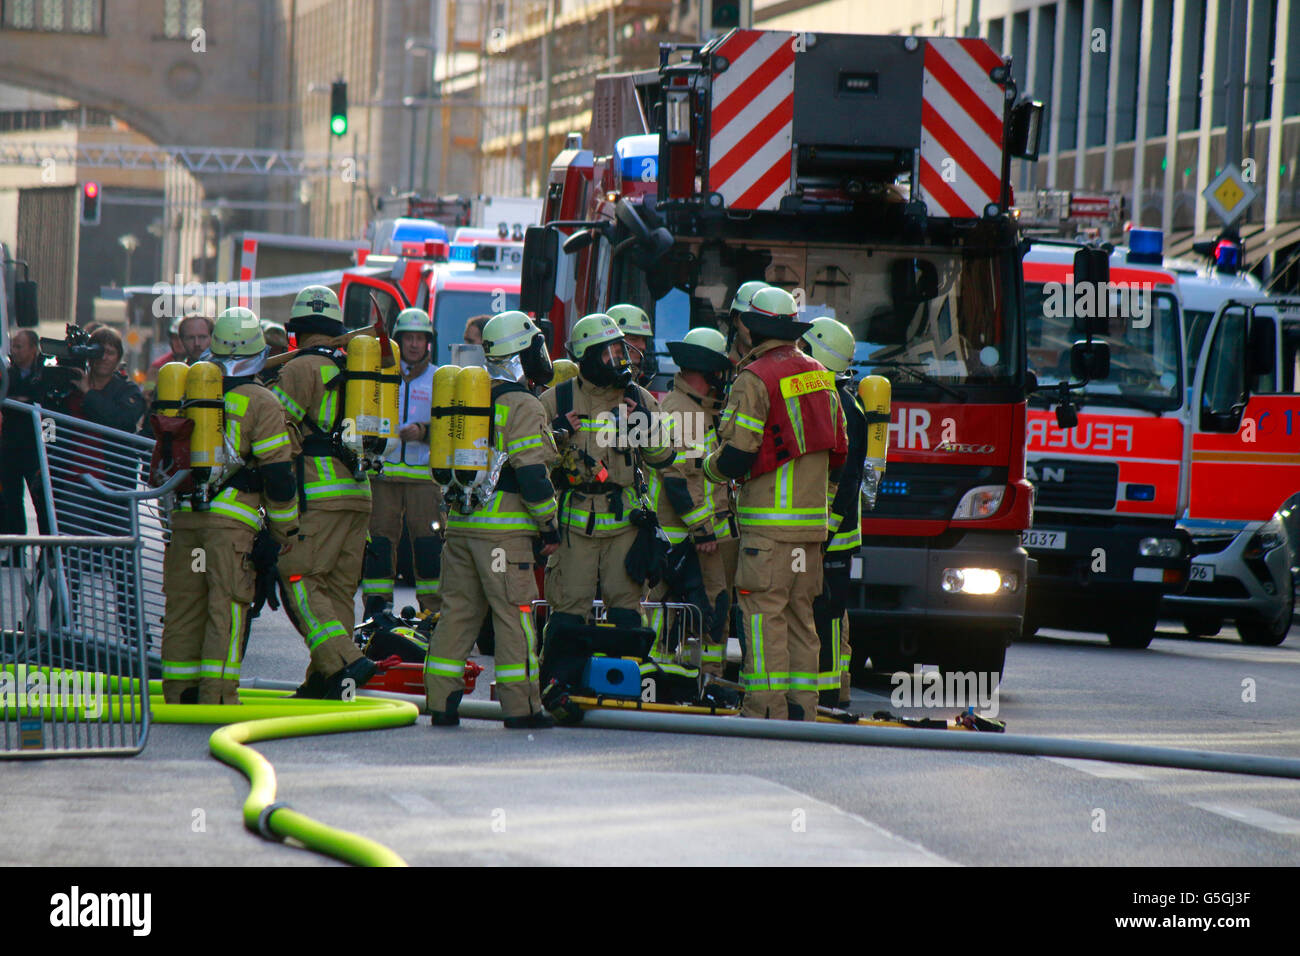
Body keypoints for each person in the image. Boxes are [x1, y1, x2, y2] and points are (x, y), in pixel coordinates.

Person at [703, 287, 847, 721]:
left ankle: (764, 710)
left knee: (764, 618)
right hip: (810, 534)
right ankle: (803, 709)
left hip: (767, 533)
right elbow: (841, 451)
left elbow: (738, 455)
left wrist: (708, 469)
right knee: (802, 619)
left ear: (750, 325)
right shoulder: (821, 374)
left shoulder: (756, 378)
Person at [425, 310, 561, 728]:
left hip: (462, 528)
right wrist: (549, 527)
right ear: (520, 354)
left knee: (457, 614)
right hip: (503, 538)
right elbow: (532, 474)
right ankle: (522, 709)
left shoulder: (469, 397)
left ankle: (441, 703)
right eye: (536, 345)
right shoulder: (522, 404)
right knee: (514, 615)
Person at [160, 308, 300, 704]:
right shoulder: (261, 400)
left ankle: (179, 692)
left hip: (186, 520)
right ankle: (217, 696)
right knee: (227, 607)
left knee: (186, 606)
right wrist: (282, 533)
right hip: (229, 526)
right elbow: (278, 477)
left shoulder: (190, 390)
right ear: (259, 350)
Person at [539, 313, 675, 645]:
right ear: (587, 358)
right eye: (609, 353)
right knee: (568, 614)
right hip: (574, 527)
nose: (619, 360)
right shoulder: (556, 400)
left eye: (620, 351)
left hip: (624, 526)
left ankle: (624, 684)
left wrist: (645, 426)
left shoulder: (639, 398)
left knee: (627, 614)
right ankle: (562, 682)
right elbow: (532, 461)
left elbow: (665, 458)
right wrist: (557, 435)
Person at [269, 285, 377, 697]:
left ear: (295, 330)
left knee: (297, 575)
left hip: (319, 494)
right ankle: (327, 681)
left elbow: (276, 432)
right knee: (336, 592)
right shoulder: (357, 365)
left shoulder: (299, 369)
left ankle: (347, 659)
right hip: (359, 491)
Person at [648, 327, 738, 687]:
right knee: (708, 612)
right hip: (692, 535)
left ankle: (680, 678)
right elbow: (680, 478)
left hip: (688, 533)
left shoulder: (694, 408)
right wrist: (702, 530)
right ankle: (702, 683)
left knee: (694, 612)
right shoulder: (686, 413)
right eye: (719, 370)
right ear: (707, 370)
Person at [802, 316, 866, 709]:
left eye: (805, 349)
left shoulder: (842, 405)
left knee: (826, 610)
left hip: (833, 535)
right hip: (833, 532)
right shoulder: (837, 398)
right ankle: (831, 687)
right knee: (826, 610)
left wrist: (827, 529)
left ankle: (826, 692)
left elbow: (848, 478)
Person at [363, 307, 443, 618]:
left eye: (419, 338)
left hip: (424, 480)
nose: (413, 344)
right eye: (407, 338)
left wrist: (423, 432)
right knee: (379, 544)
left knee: (427, 546)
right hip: (382, 477)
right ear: (397, 341)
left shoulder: (441, 379)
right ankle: (375, 612)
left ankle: (432, 614)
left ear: (428, 343)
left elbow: (455, 429)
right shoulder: (381, 376)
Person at [0, 329, 51, 535]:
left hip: (36, 448)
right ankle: (16, 549)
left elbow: (49, 414)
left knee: (41, 499)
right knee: (11, 499)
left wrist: (50, 447)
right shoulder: (7, 374)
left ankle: (48, 549)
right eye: (13, 346)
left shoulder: (45, 374)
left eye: (19, 346)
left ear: (33, 348)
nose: (14, 350)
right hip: (10, 446)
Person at [606, 303, 656, 387]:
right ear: (612, 341)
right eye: (634, 339)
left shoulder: (643, 384)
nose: (643, 346)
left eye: (644, 340)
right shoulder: (584, 382)